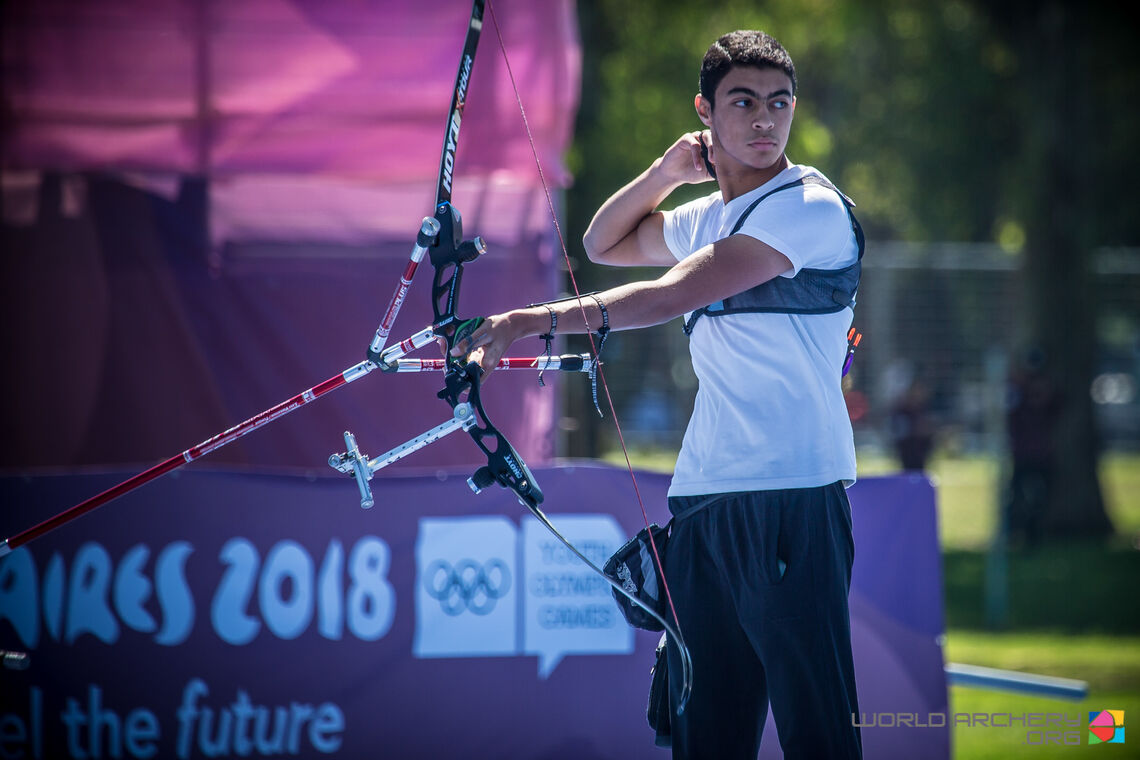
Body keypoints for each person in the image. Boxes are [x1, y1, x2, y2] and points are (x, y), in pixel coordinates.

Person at [452, 30, 863, 759]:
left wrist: (523, 321)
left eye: (779, 102)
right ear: (705, 112)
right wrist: (664, 173)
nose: (765, 120)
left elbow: (669, 295)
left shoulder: (809, 206)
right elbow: (603, 242)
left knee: (820, 736)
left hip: (793, 498)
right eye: (743, 102)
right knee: (703, 736)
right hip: (703, 502)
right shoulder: (706, 213)